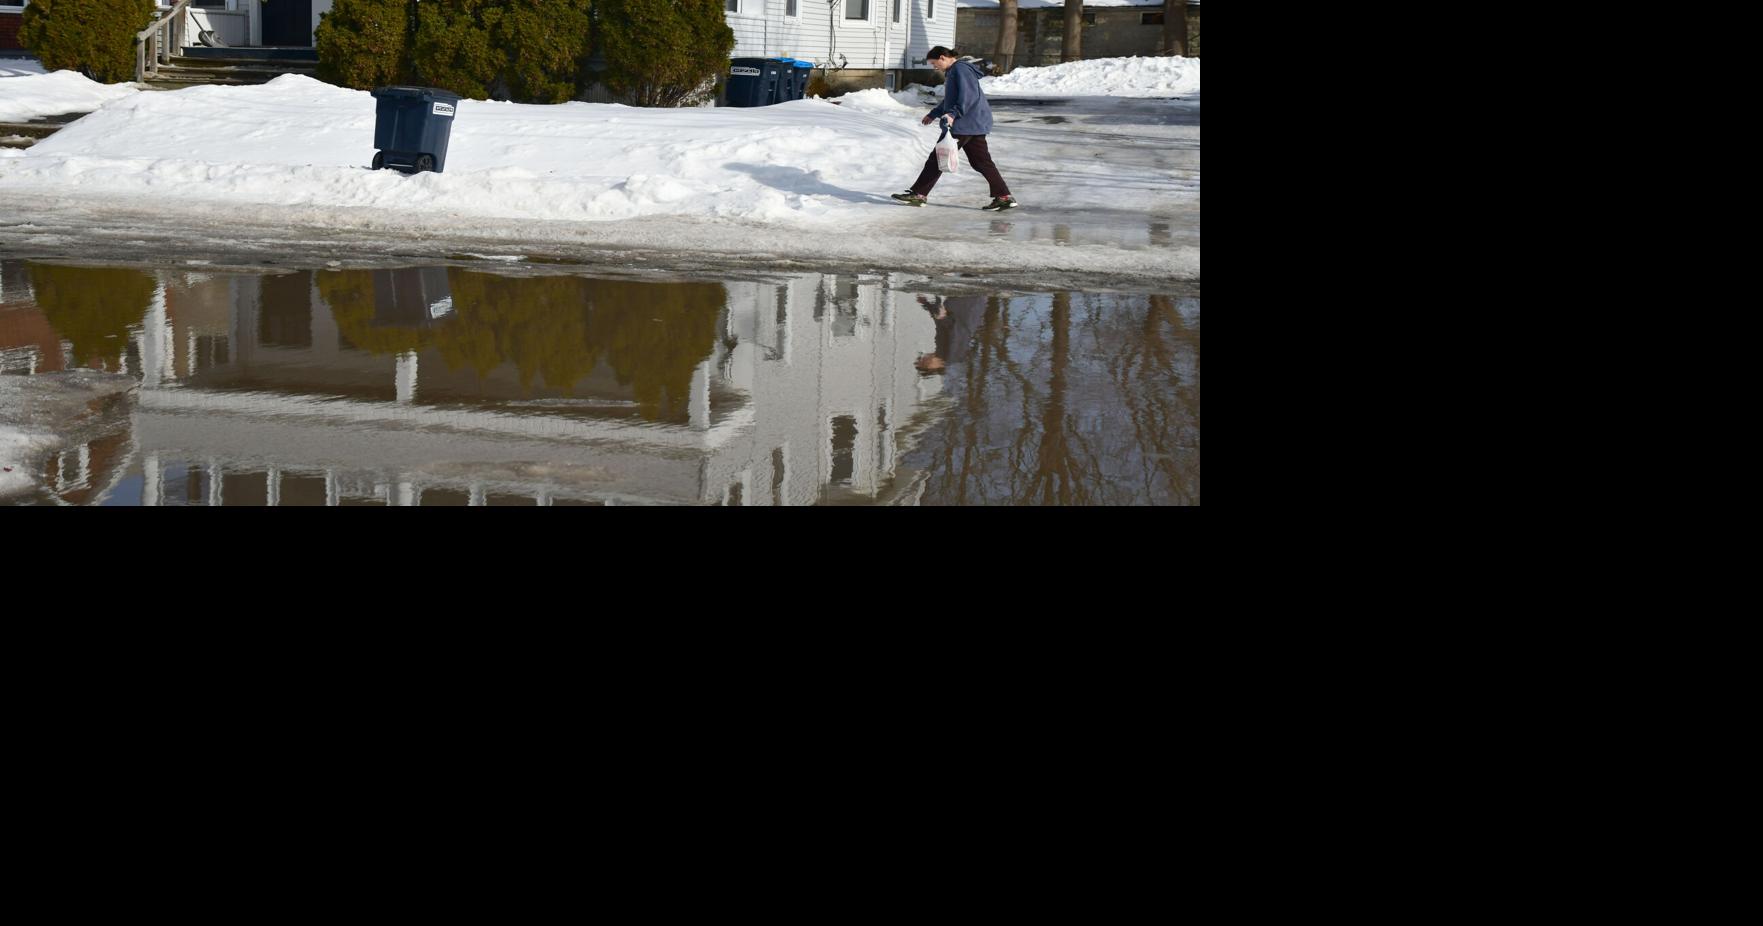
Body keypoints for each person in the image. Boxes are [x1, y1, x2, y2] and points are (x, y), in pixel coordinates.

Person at [891, 47, 1018, 211]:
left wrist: (953, 114)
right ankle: (1004, 197)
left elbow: (968, 97)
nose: (934, 67)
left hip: (965, 122)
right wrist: (934, 113)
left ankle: (918, 194)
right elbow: (952, 99)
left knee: (938, 157)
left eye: (934, 63)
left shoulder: (960, 69)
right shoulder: (955, 71)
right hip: (974, 122)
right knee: (981, 162)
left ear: (942, 58)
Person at [915, 294, 990, 374]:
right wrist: (944, 317)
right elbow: (957, 332)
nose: (924, 358)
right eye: (924, 363)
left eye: (921, 360)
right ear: (932, 368)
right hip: (967, 305)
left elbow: (942, 327)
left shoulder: (944, 355)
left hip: (965, 305)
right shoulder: (949, 356)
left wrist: (926, 304)